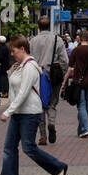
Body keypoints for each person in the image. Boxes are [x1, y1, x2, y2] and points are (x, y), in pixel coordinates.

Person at [0, 35, 68, 175]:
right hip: (19, 112)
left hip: (29, 113)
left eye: (13, 51)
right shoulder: (21, 65)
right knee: (9, 147)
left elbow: (24, 92)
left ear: (22, 49)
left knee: (28, 148)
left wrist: (7, 112)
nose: (12, 54)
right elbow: (15, 90)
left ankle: (58, 167)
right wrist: (10, 74)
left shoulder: (29, 67)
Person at [31, 16, 69, 145]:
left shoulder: (33, 41)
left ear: (38, 27)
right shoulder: (57, 40)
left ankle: (42, 136)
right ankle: (51, 123)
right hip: (53, 75)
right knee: (52, 103)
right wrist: (64, 73)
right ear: (50, 26)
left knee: (40, 105)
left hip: (37, 76)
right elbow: (64, 60)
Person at [66, 30, 88, 138]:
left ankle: (85, 128)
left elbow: (70, 67)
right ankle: (81, 130)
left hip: (78, 81)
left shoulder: (76, 50)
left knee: (81, 106)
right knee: (86, 106)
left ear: (80, 38)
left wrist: (64, 80)